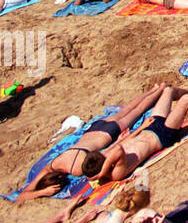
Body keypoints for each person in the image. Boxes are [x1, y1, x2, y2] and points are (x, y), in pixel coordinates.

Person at [17, 85, 168, 200]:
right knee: (128, 109)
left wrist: (44, 192)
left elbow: (21, 197)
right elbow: (23, 194)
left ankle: (162, 91)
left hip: (106, 136)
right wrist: (41, 189)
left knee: (138, 111)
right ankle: (156, 88)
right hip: (94, 129)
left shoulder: (77, 169)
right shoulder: (50, 166)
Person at [98, 84, 188, 181]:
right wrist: (102, 171)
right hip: (163, 135)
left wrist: (141, 128)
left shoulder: (106, 156)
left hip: (149, 128)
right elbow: (118, 149)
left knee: (168, 90)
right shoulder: (116, 173)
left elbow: (118, 145)